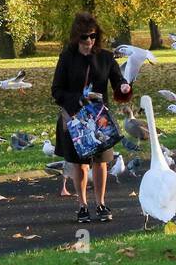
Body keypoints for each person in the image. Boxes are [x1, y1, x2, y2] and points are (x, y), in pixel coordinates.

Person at [51, 12, 131, 223]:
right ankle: (82, 206)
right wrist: (79, 98)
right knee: (79, 164)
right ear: (76, 37)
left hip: (99, 120)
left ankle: (101, 203)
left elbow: (118, 82)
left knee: (101, 162)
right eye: (84, 37)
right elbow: (57, 91)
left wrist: (124, 87)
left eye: (93, 36)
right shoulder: (67, 57)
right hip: (75, 118)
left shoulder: (105, 57)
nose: (89, 41)